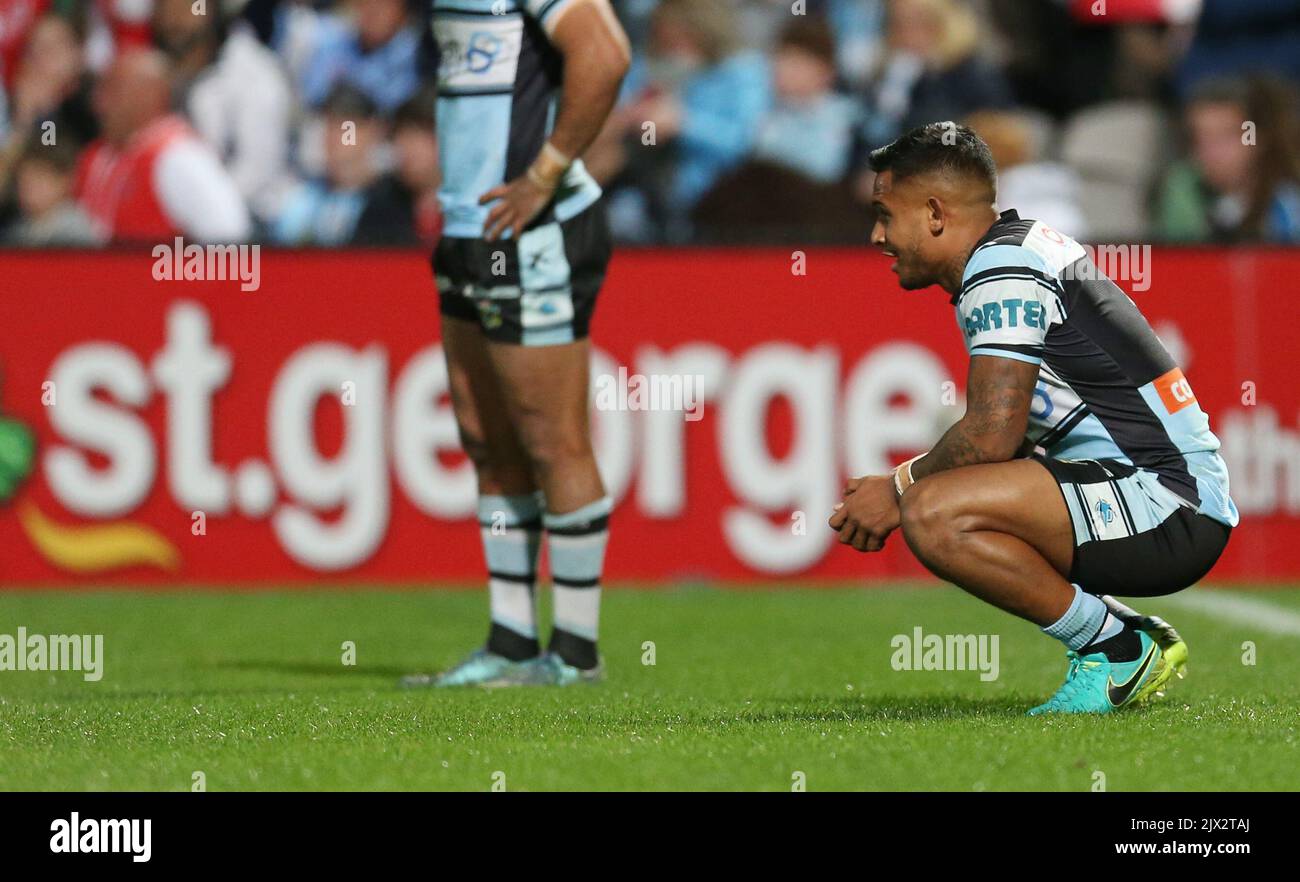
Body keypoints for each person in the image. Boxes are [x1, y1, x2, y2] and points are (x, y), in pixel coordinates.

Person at [830, 123, 1238, 715]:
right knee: (945, 495)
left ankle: (1117, 649)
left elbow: (993, 435)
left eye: (886, 215)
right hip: (1177, 493)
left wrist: (897, 488)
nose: (877, 236)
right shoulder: (1015, 249)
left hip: (1167, 503)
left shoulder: (1000, 271)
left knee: (934, 511)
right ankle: (1128, 635)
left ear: (936, 213)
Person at [401, 0, 630, 688]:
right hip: (472, 228)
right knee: (485, 435)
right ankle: (510, 641)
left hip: (531, 231)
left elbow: (607, 51)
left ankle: (576, 653)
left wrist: (545, 172)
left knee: (550, 437)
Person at [75, 48, 250, 244]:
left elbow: (229, 236)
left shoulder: (178, 156)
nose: (98, 102)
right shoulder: (99, 155)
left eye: (113, 90)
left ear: (150, 95)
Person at [1156, 76, 1300, 244]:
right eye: (1200, 139)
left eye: (1226, 136)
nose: (1210, 152)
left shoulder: (1289, 205)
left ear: (1256, 138)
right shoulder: (1182, 188)